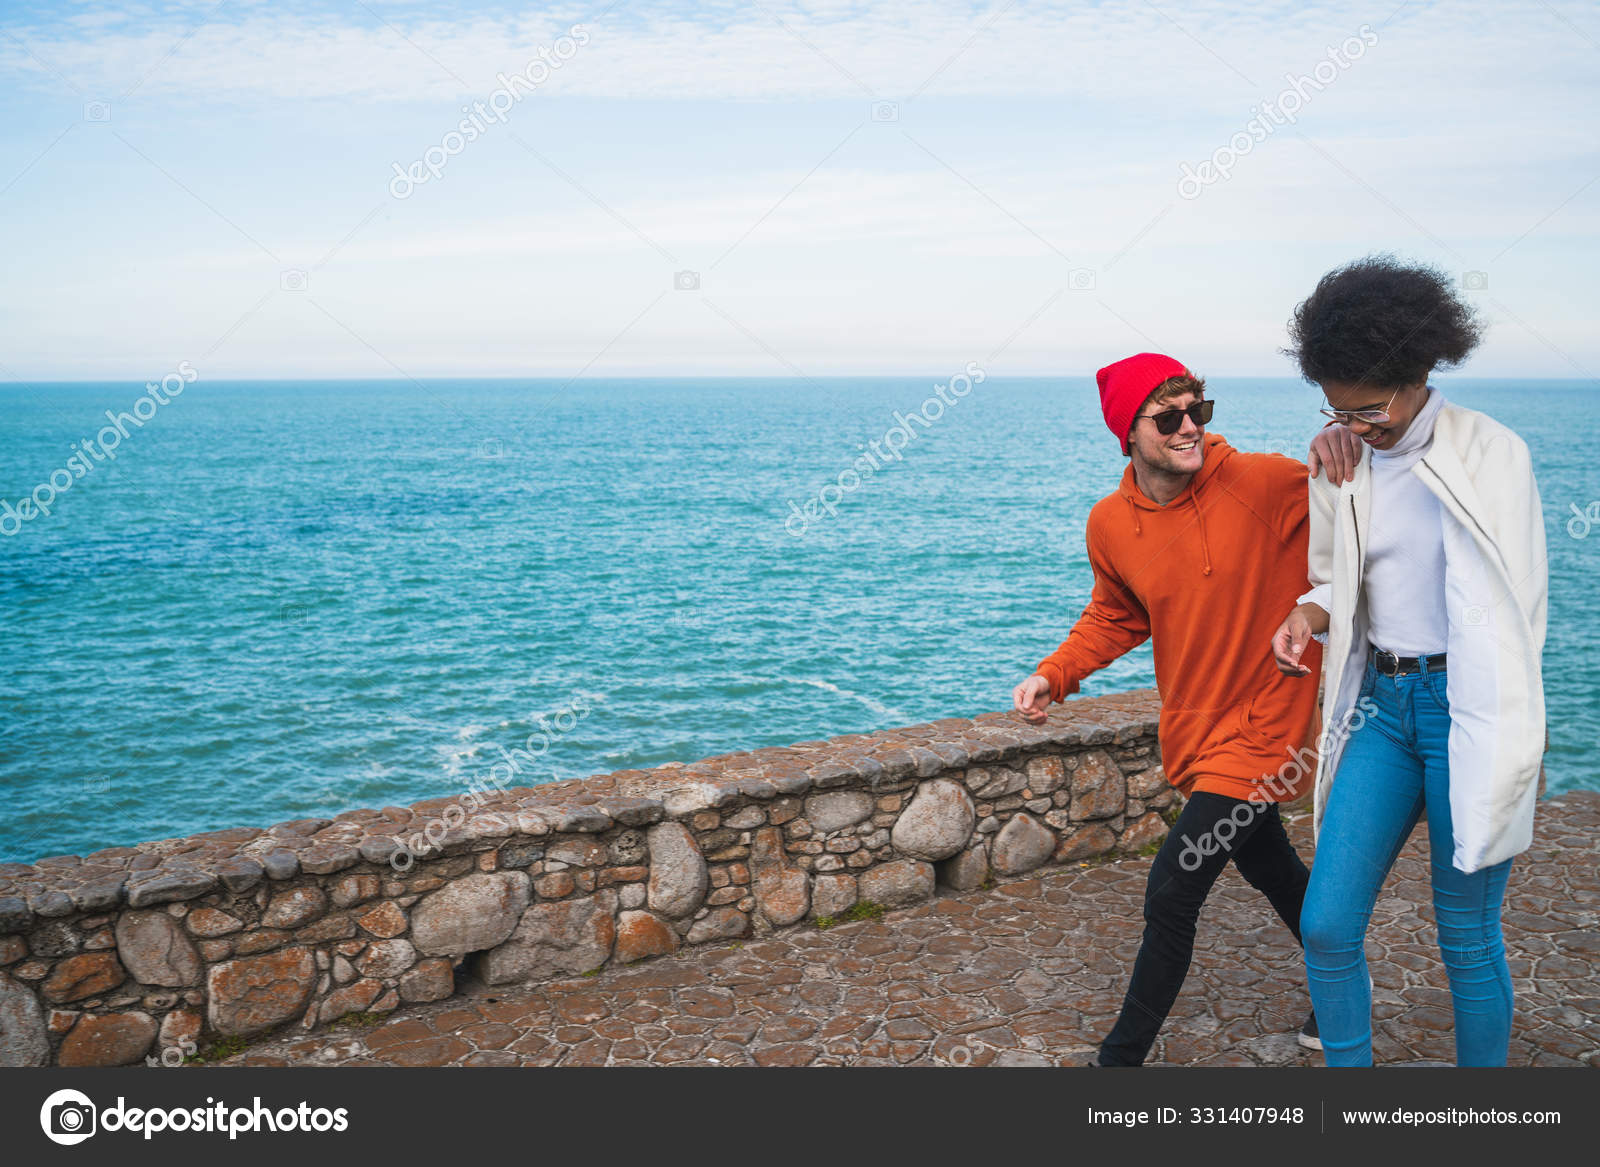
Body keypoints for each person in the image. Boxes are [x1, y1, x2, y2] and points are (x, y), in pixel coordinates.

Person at [1014, 352, 1358, 1066]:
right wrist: (1057, 672)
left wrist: (1344, 441)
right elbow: (1115, 614)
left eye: (1197, 409)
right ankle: (1344, 988)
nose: (1188, 427)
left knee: (1173, 891)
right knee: (1274, 870)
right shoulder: (1110, 522)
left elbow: (1363, 508)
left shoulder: (1262, 482)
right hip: (1197, 733)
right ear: (1128, 432)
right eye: (1167, 416)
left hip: (1267, 726)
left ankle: (1120, 1059)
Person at [1271, 254, 1548, 1067]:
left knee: (1465, 935)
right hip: (1382, 712)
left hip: (1472, 709)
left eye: (1369, 409)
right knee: (1326, 923)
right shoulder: (1343, 463)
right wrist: (1305, 613)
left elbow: (1520, 611)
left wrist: (1509, 733)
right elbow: (1334, 577)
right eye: (1336, 410)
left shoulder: (1494, 455)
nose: (1355, 426)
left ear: (1420, 371)